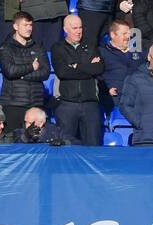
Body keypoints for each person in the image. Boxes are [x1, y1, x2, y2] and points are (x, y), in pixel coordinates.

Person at [50, 14, 104, 146]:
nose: (79, 31)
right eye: (75, 28)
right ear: (65, 29)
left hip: (90, 104)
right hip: (67, 104)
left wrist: (76, 66)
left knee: (93, 148)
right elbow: (62, 72)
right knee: (65, 148)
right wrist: (88, 68)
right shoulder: (57, 48)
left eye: (80, 27)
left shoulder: (90, 46)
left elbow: (99, 69)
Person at [0, 11, 50, 132]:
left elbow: (45, 72)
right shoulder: (5, 48)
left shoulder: (38, 48)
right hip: (13, 105)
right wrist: (31, 67)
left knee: (37, 144)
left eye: (30, 25)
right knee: (13, 144)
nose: (29, 28)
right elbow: (10, 71)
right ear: (16, 26)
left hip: (36, 103)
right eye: (25, 25)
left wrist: (21, 76)